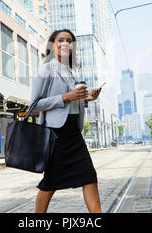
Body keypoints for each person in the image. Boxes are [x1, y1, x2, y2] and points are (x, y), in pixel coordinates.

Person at [31, 29, 103, 213]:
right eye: (61, 40)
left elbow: (71, 102)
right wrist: (67, 96)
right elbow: (35, 105)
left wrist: (86, 98)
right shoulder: (46, 68)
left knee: (89, 176)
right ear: (52, 45)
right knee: (50, 183)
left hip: (72, 132)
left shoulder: (70, 70)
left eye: (69, 41)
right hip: (56, 134)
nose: (65, 44)